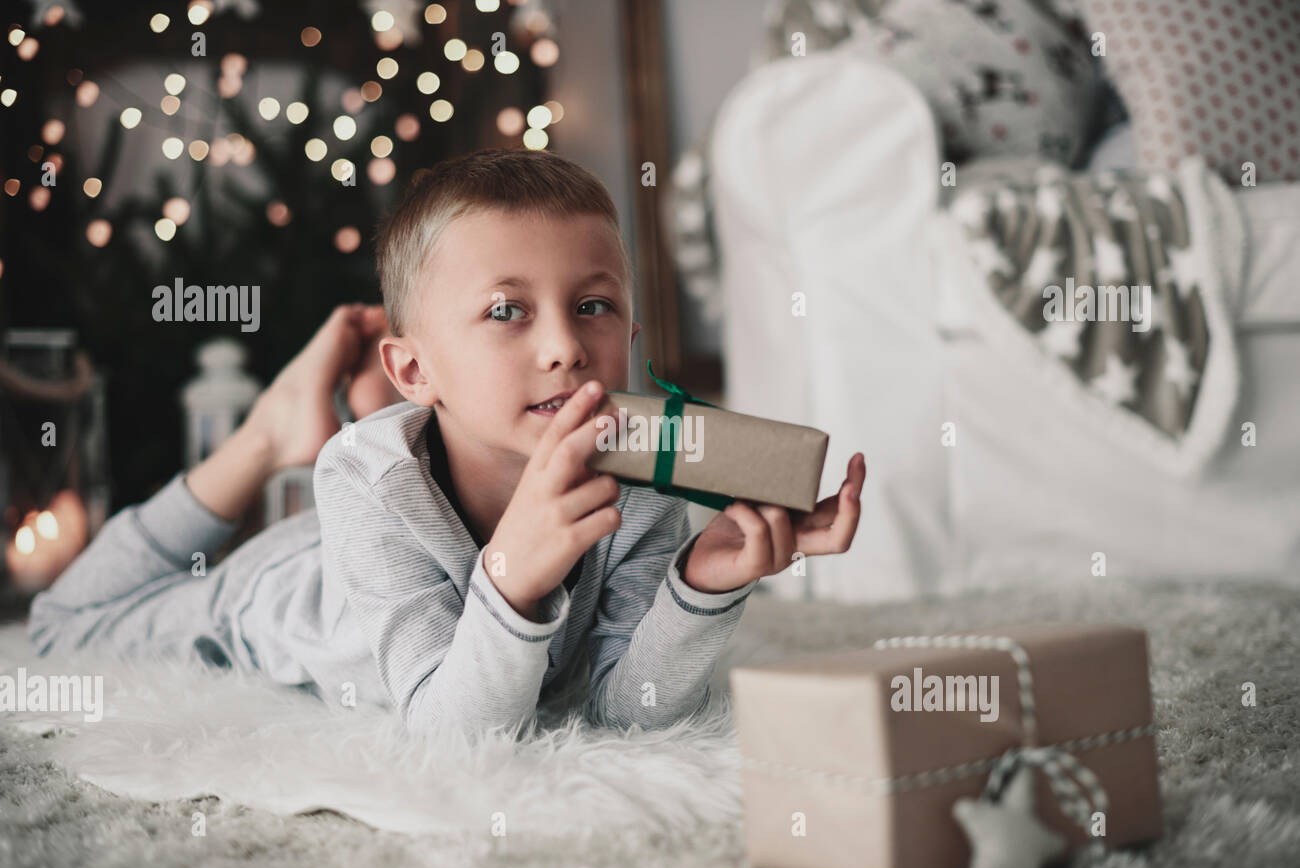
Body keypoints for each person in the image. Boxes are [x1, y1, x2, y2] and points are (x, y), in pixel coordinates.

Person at [28, 148, 866, 743]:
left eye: (593, 306)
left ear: (632, 336)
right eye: (507, 310)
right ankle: (266, 434)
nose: (564, 348)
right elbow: (453, 732)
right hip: (268, 597)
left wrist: (701, 584)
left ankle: (302, 416)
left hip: (364, 535)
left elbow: (623, 708)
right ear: (414, 369)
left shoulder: (640, 480)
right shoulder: (369, 478)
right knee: (60, 624)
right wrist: (512, 574)